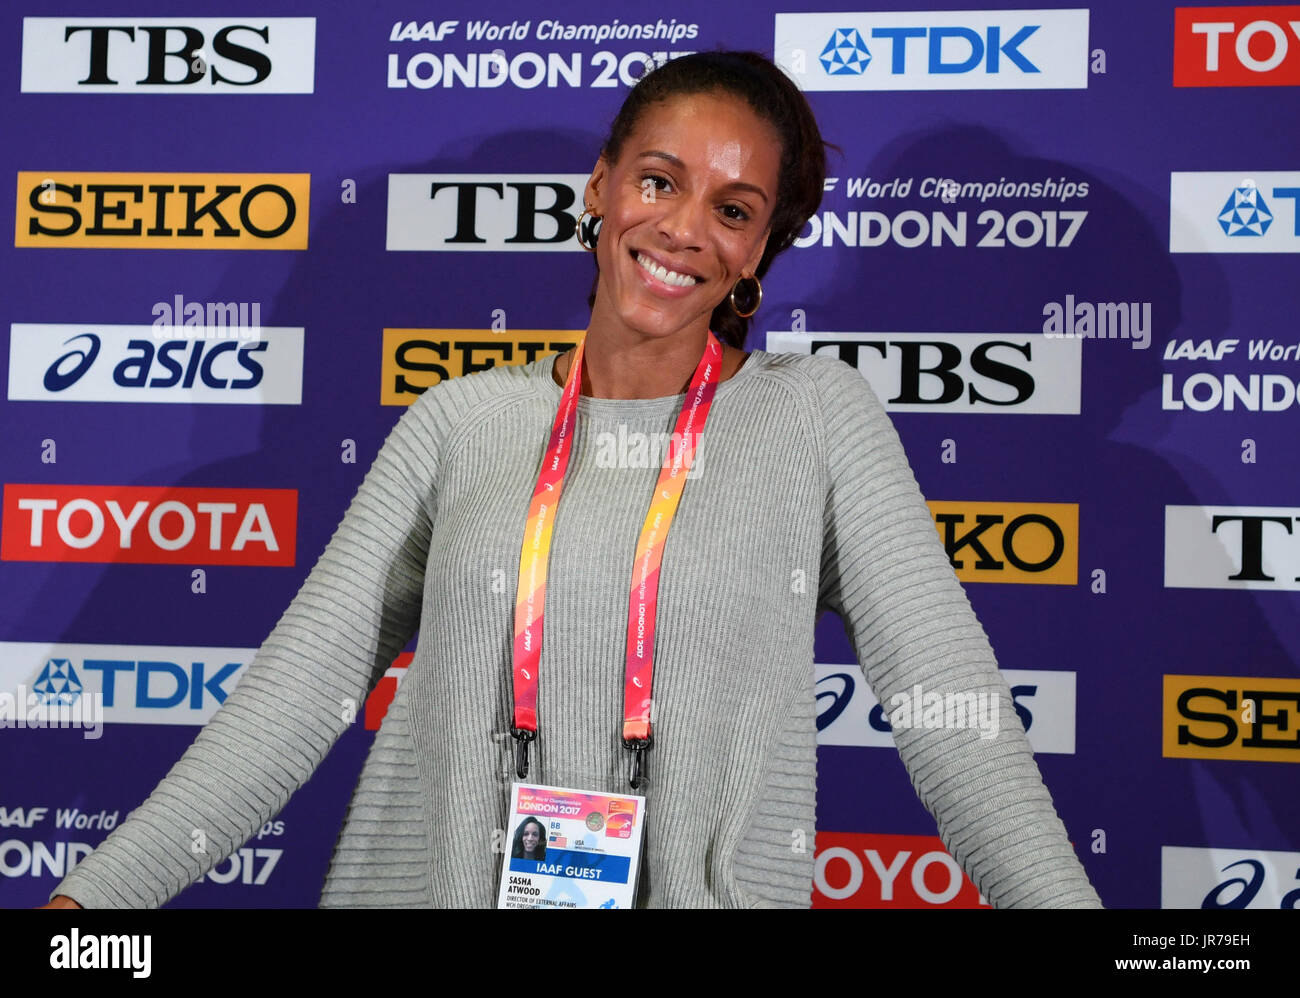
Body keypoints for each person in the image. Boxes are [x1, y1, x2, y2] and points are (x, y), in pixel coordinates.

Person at [44, 50, 1101, 909]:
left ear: (761, 250)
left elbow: (953, 709)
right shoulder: (463, 418)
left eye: (733, 210)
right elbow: (294, 694)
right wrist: (88, 912)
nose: (682, 227)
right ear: (600, 188)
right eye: (658, 180)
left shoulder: (816, 417)